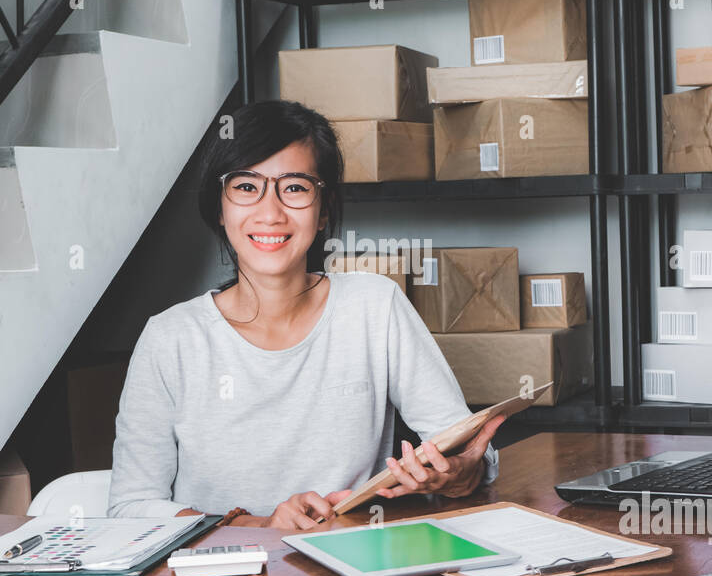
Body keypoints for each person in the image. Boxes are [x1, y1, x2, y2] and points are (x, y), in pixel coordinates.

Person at [108, 99, 503, 529]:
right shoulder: (170, 339)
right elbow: (132, 509)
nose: (270, 212)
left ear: (324, 208)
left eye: (294, 187)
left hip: (349, 571)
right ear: (219, 208)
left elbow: (467, 453)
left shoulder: (374, 307)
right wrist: (260, 526)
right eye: (245, 187)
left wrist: (459, 475)